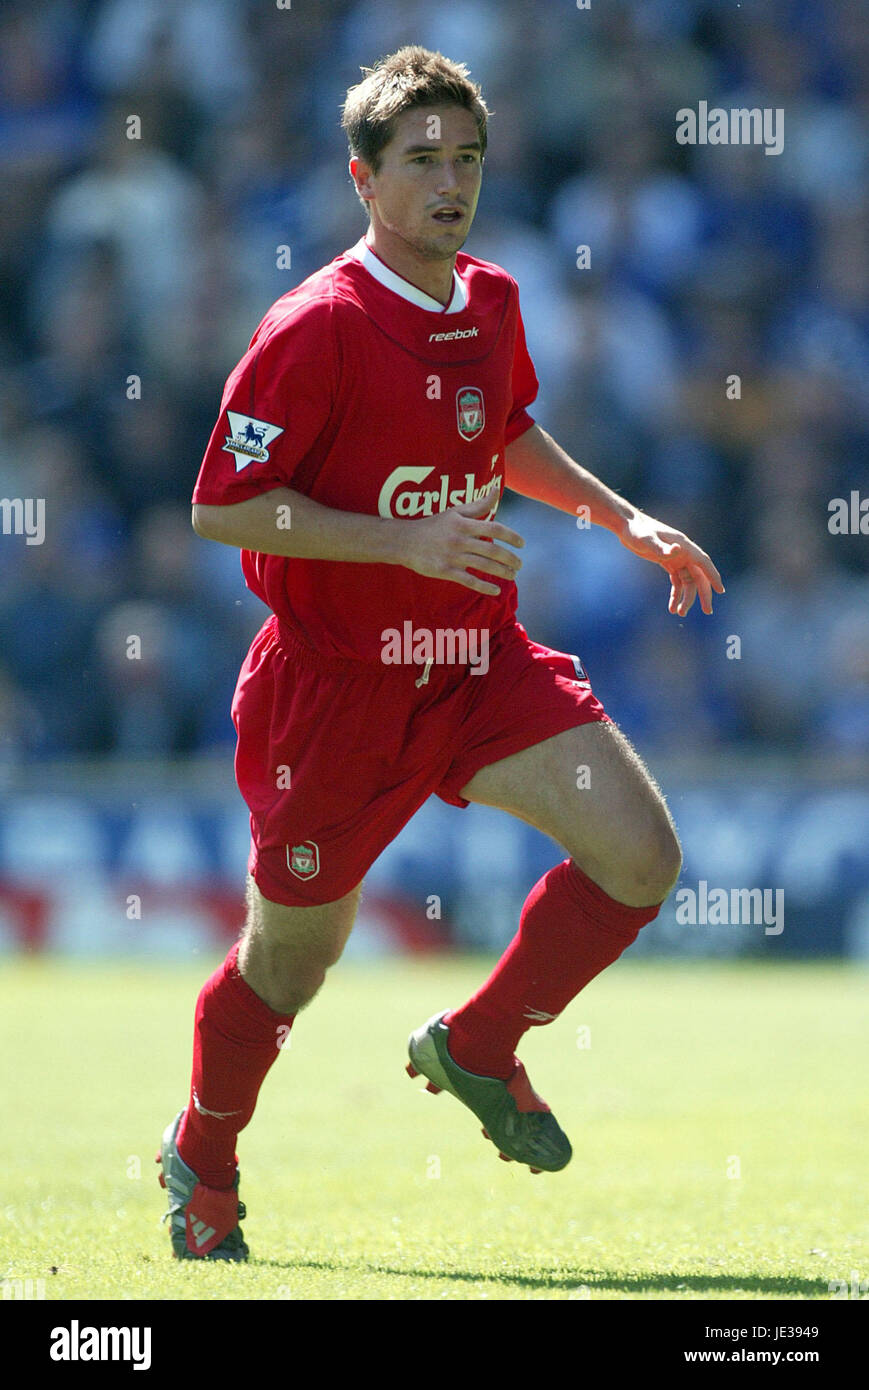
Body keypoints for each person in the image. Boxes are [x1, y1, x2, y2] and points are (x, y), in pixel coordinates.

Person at [157, 46, 723, 1260]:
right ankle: (201, 1158)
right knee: (290, 965)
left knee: (638, 856)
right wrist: (392, 540)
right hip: (336, 691)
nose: (448, 181)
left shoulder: (493, 298)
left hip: (473, 661)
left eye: (465, 158)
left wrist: (618, 516)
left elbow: (506, 428)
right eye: (420, 160)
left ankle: (476, 1045)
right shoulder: (311, 327)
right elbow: (221, 504)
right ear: (364, 181)